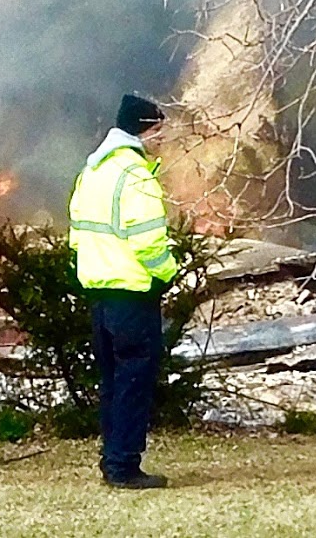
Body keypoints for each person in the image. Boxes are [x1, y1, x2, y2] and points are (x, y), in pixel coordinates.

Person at [69, 94, 178, 489]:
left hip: (100, 295)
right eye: (159, 129)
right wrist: (167, 273)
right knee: (134, 382)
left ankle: (111, 459)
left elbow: (77, 235)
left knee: (113, 382)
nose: (163, 137)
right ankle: (124, 466)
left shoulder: (93, 171)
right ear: (144, 129)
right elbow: (148, 242)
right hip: (133, 294)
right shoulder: (135, 175)